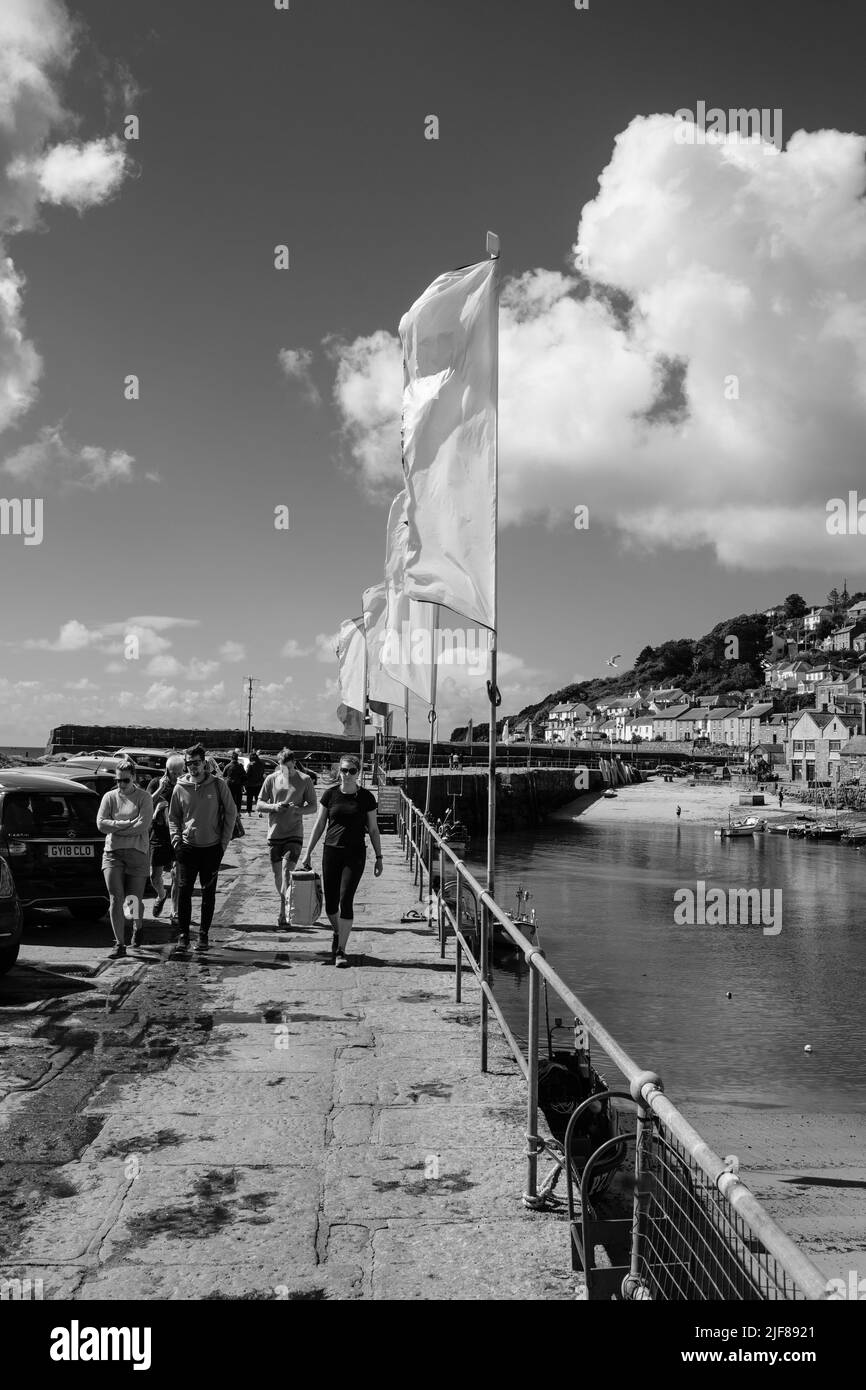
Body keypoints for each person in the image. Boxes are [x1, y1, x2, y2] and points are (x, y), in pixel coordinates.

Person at [299, 754, 382, 967]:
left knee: (346, 900)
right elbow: (319, 826)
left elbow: (373, 829)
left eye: (351, 771)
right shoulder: (330, 795)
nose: (346, 775)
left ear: (358, 773)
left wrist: (379, 857)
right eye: (344, 770)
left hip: (355, 854)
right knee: (330, 906)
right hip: (331, 852)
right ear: (339, 771)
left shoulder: (366, 798)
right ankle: (338, 931)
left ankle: (341, 950)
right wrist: (307, 853)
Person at [168, 742, 237, 952]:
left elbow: (232, 812)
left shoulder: (218, 785)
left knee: (208, 894)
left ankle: (204, 936)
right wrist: (176, 839)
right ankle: (183, 936)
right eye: (189, 764)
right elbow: (174, 817)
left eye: (196, 763)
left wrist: (223, 843)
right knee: (184, 892)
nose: (192, 767)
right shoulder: (180, 787)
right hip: (187, 848)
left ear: (204, 763)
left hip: (212, 848)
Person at [96, 759, 153, 958]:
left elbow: (143, 826)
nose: (121, 784)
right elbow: (101, 825)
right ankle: (119, 944)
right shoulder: (109, 797)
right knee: (115, 898)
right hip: (113, 853)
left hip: (138, 853)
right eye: (118, 780)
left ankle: (138, 925)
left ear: (134, 778)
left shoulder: (144, 798)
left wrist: (117, 828)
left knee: (132, 900)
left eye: (125, 780)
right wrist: (127, 824)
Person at [256, 749, 317, 926]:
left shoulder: (305, 780)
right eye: (283, 769)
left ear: (294, 764)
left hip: (294, 833)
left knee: (286, 872)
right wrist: (275, 807)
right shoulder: (271, 779)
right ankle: (284, 901)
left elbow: (313, 806)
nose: (287, 773)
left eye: (290, 769)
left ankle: (283, 909)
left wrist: (298, 810)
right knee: (277, 875)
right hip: (274, 833)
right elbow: (259, 804)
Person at [149, 753, 184, 925]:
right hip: (159, 835)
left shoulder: (185, 785)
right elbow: (146, 803)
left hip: (177, 834)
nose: (177, 776)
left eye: (180, 772)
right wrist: (160, 790)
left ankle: (174, 911)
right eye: (174, 773)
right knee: (154, 876)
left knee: (177, 875)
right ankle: (161, 895)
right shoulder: (156, 783)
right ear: (167, 771)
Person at [224, 750, 247, 814]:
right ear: (237, 759)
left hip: (230, 784)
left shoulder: (228, 766)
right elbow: (244, 775)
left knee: (230, 798)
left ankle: (230, 811)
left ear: (231, 758)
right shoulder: (240, 766)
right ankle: (238, 812)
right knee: (238, 799)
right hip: (238, 784)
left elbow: (224, 775)